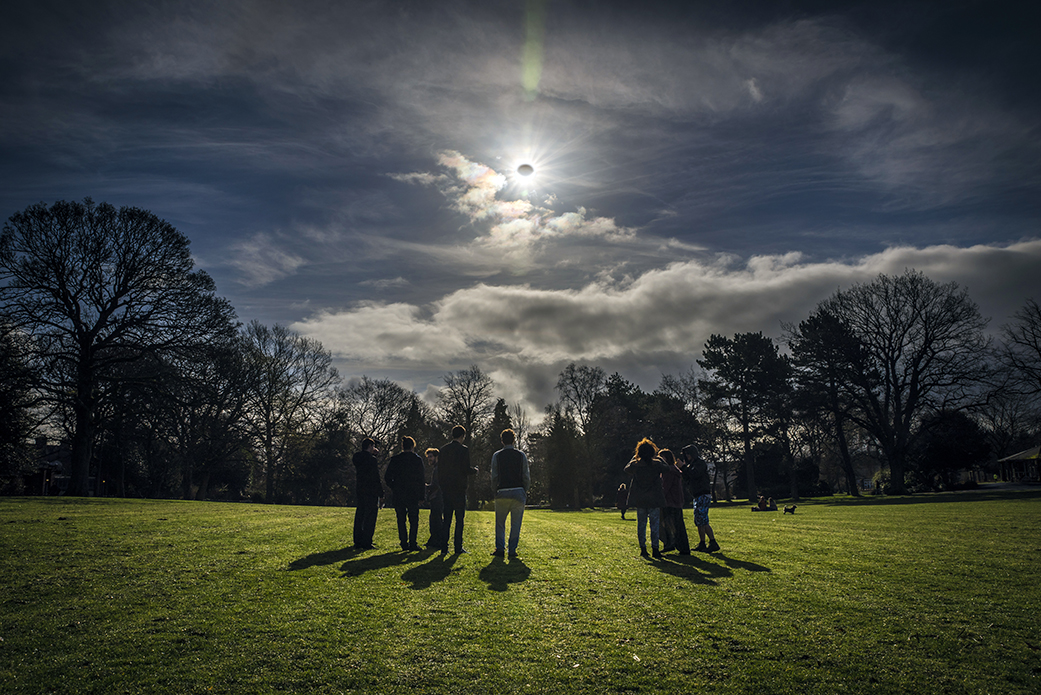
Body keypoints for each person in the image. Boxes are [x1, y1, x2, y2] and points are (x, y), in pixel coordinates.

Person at [623, 438, 670, 558]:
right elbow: (667, 468)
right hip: (654, 498)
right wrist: (658, 458)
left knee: (641, 525)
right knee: (655, 525)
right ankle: (655, 549)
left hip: (640, 499)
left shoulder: (636, 465)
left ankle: (643, 549)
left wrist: (634, 458)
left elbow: (626, 469)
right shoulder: (657, 464)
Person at [490, 428, 531, 558]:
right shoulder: (521, 455)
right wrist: (525, 489)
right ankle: (512, 550)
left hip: (502, 490)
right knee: (516, 523)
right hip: (518, 491)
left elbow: (494, 476)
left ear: (502, 441)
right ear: (514, 440)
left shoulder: (497, 455)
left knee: (500, 523)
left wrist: (494, 489)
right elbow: (526, 475)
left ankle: (500, 548)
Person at [438, 425, 476, 554]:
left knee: (446, 519)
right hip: (459, 489)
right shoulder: (463, 450)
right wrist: (475, 470)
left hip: (446, 489)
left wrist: (442, 485)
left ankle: (444, 547)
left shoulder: (443, 450)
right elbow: (466, 469)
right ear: (462, 436)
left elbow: (440, 470)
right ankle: (457, 547)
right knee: (459, 519)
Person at [384, 436, 426, 551]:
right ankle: (413, 542)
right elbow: (421, 479)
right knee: (413, 519)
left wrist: (394, 486)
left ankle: (403, 542)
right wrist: (422, 496)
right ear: (412, 446)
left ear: (402, 446)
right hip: (413, 493)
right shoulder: (417, 460)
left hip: (399, 493)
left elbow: (387, 477)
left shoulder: (395, 459)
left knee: (401, 519)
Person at [681, 444, 719, 553]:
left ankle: (713, 541)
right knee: (698, 520)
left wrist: (684, 468)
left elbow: (695, 474)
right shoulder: (691, 465)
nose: (687, 456)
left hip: (703, 494)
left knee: (702, 519)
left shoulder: (700, 464)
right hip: (697, 495)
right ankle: (702, 542)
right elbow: (687, 477)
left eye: (688, 454)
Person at [352, 437, 384, 550]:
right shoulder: (372, 460)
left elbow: (363, 462)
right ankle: (366, 541)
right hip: (371, 491)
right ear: (370, 446)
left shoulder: (357, 457)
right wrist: (381, 492)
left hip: (360, 489)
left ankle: (357, 540)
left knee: (360, 515)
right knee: (370, 517)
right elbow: (375, 476)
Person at [659, 449, 690, 555]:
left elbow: (665, 487)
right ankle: (679, 546)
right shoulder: (673, 470)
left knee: (670, 524)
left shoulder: (669, 471)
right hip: (675, 501)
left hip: (670, 501)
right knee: (676, 524)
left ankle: (673, 545)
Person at [423, 447, 443, 549]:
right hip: (437, 496)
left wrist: (426, 487)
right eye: (428, 457)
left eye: (430, 457)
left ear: (436, 457)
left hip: (437, 496)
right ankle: (434, 540)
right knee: (435, 519)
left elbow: (436, 484)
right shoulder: (437, 468)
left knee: (436, 520)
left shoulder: (438, 469)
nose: (429, 459)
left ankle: (437, 540)